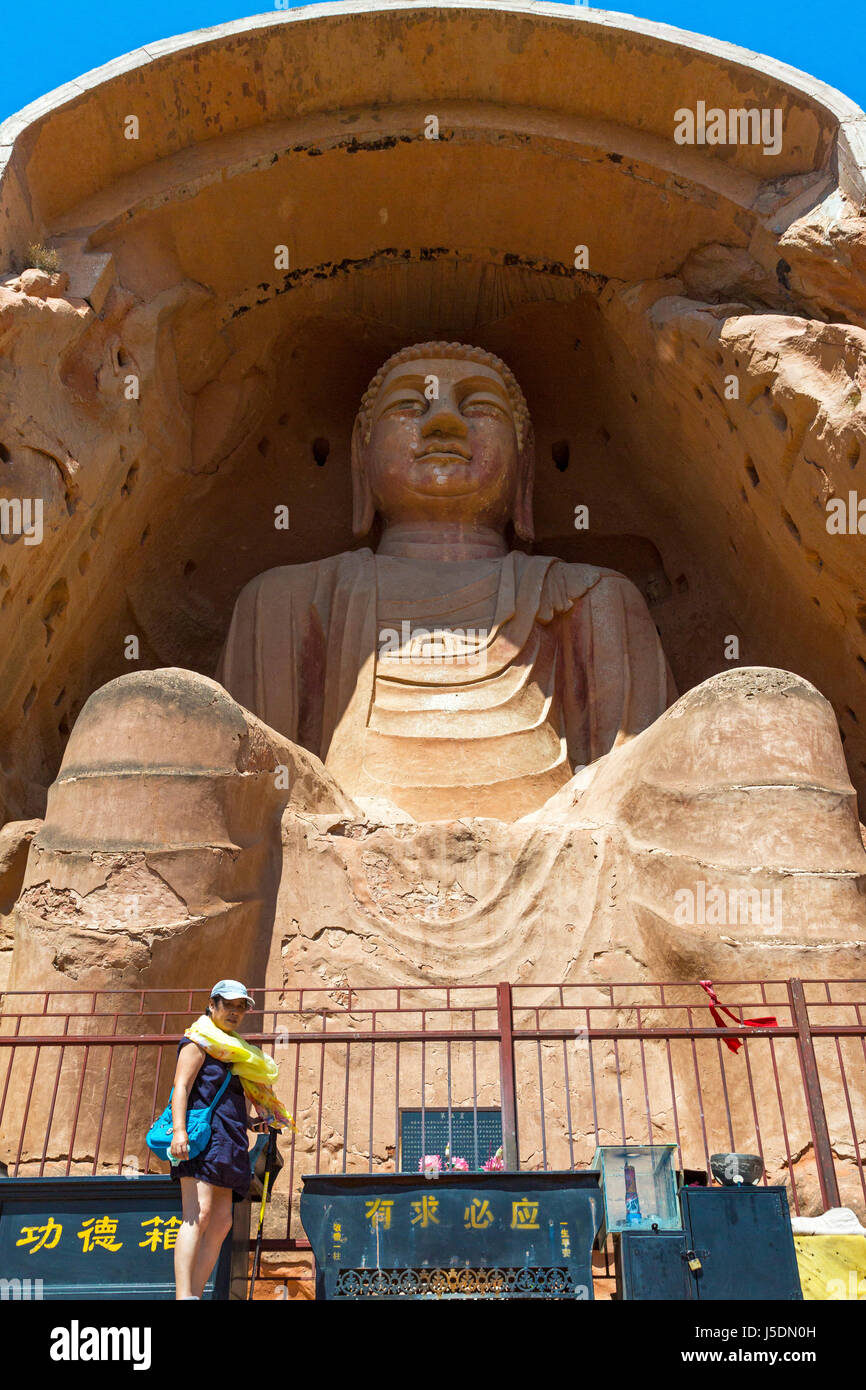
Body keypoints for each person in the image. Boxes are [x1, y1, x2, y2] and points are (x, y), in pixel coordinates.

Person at [168, 979, 294, 1301]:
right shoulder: (197, 1041)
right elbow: (181, 1087)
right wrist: (180, 1131)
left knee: (222, 1222)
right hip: (201, 1139)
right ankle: (184, 1296)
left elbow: (228, 1098)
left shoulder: (236, 1053)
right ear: (212, 1004)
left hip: (230, 1138)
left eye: (241, 1007)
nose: (235, 1012)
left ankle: (196, 1293)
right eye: (229, 1005)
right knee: (199, 1213)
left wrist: (253, 1121)